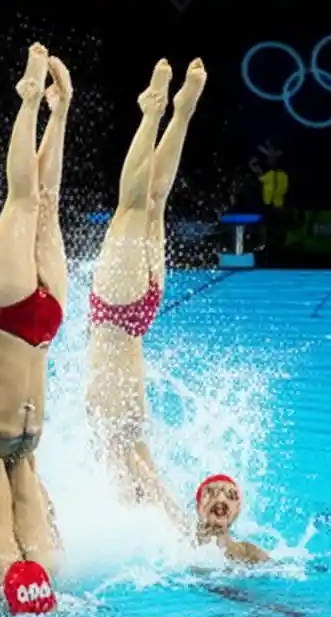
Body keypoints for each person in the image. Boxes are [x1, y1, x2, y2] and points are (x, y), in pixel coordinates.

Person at [83, 58, 268, 566]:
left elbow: (149, 488)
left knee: (146, 204)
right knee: (136, 205)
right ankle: (158, 112)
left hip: (132, 320)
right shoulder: (165, 526)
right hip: (123, 318)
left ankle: (176, 112)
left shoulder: (172, 530)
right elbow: (142, 483)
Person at [0, 43, 70, 615]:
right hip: (39, 323)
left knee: (30, 201)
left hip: (10, 317)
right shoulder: (10, 486)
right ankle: (46, 107)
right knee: (36, 203)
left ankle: (40, 105)